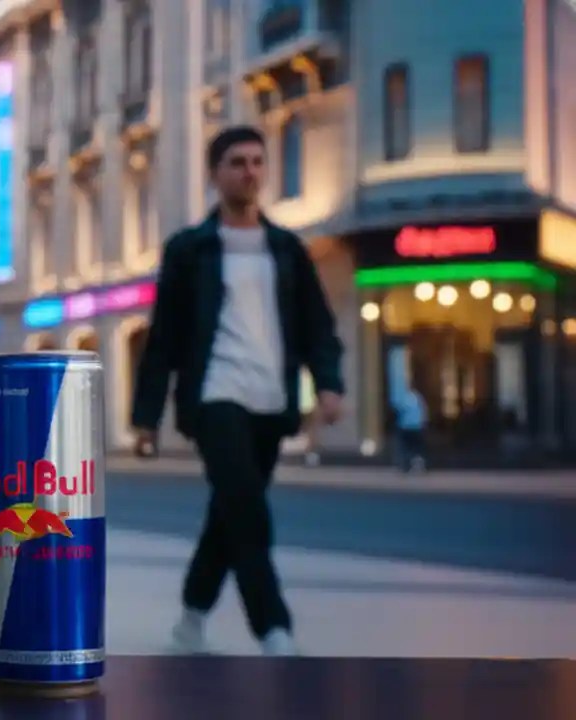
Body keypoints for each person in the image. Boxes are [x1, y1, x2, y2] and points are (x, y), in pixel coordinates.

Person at [130, 125, 344, 657]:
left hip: (271, 401)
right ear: (215, 173)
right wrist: (146, 416)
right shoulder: (189, 250)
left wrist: (330, 383)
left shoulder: (287, 249)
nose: (249, 172)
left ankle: (191, 614)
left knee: (230, 513)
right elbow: (165, 339)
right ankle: (275, 629)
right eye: (236, 162)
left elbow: (318, 326)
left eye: (256, 162)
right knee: (247, 509)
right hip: (215, 395)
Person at [393, 388, 426, 473]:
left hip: (405, 426)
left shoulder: (403, 398)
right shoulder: (418, 398)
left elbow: (398, 409)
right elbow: (423, 410)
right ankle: (418, 465)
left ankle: (405, 465)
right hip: (417, 426)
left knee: (405, 447)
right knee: (416, 447)